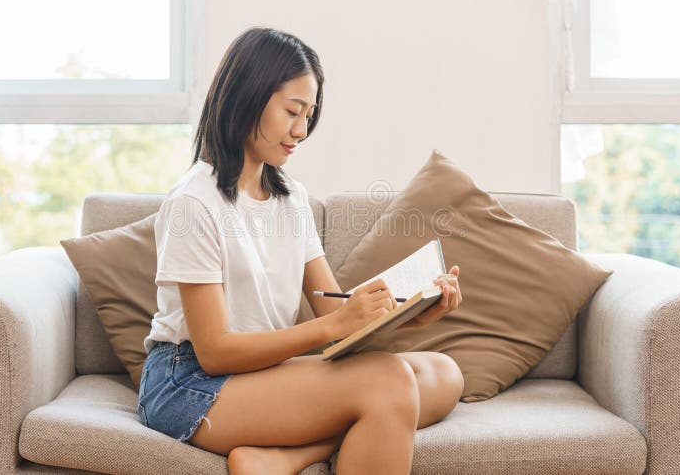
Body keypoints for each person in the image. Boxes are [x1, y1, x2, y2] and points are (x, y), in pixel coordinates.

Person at [137, 26, 465, 475]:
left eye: (309, 115)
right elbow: (215, 352)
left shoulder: (291, 197)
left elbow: (335, 312)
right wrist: (334, 324)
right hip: (189, 381)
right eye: (292, 111)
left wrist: (410, 311)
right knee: (388, 380)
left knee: (443, 373)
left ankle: (288, 455)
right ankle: (297, 449)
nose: (301, 130)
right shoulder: (193, 203)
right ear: (246, 97)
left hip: (267, 369)